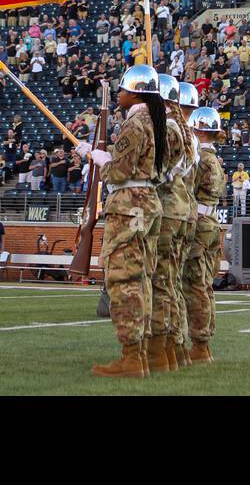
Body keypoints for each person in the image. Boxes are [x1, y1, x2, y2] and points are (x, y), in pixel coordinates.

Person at [76, 64, 164, 379]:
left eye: (123, 90)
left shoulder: (135, 123)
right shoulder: (155, 122)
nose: (119, 95)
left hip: (130, 204)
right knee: (141, 278)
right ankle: (141, 353)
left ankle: (131, 357)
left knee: (124, 278)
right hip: (146, 203)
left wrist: (100, 159)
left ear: (135, 93)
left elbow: (119, 172)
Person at [146, 75, 196, 373]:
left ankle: (163, 350)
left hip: (167, 209)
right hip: (182, 210)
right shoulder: (186, 132)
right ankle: (176, 348)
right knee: (171, 282)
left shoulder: (172, 129)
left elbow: (157, 170)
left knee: (161, 281)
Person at [183, 106, 226, 364]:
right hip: (211, 221)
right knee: (205, 285)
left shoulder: (200, 160)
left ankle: (200, 345)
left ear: (197, 129)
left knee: (195, 283)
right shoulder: (215, 160)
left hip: (199, 223)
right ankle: (203, 342)